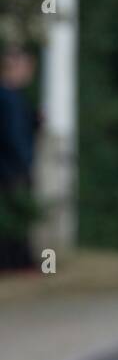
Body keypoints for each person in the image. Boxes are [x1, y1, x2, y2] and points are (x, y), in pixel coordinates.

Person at [0, 47, 38, 272]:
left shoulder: (15, 96)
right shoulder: (8, 97)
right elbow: (13, 136)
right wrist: (24, 162)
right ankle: (16, 263)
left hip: (12, 166)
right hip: (11, 168)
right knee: (16, 217)